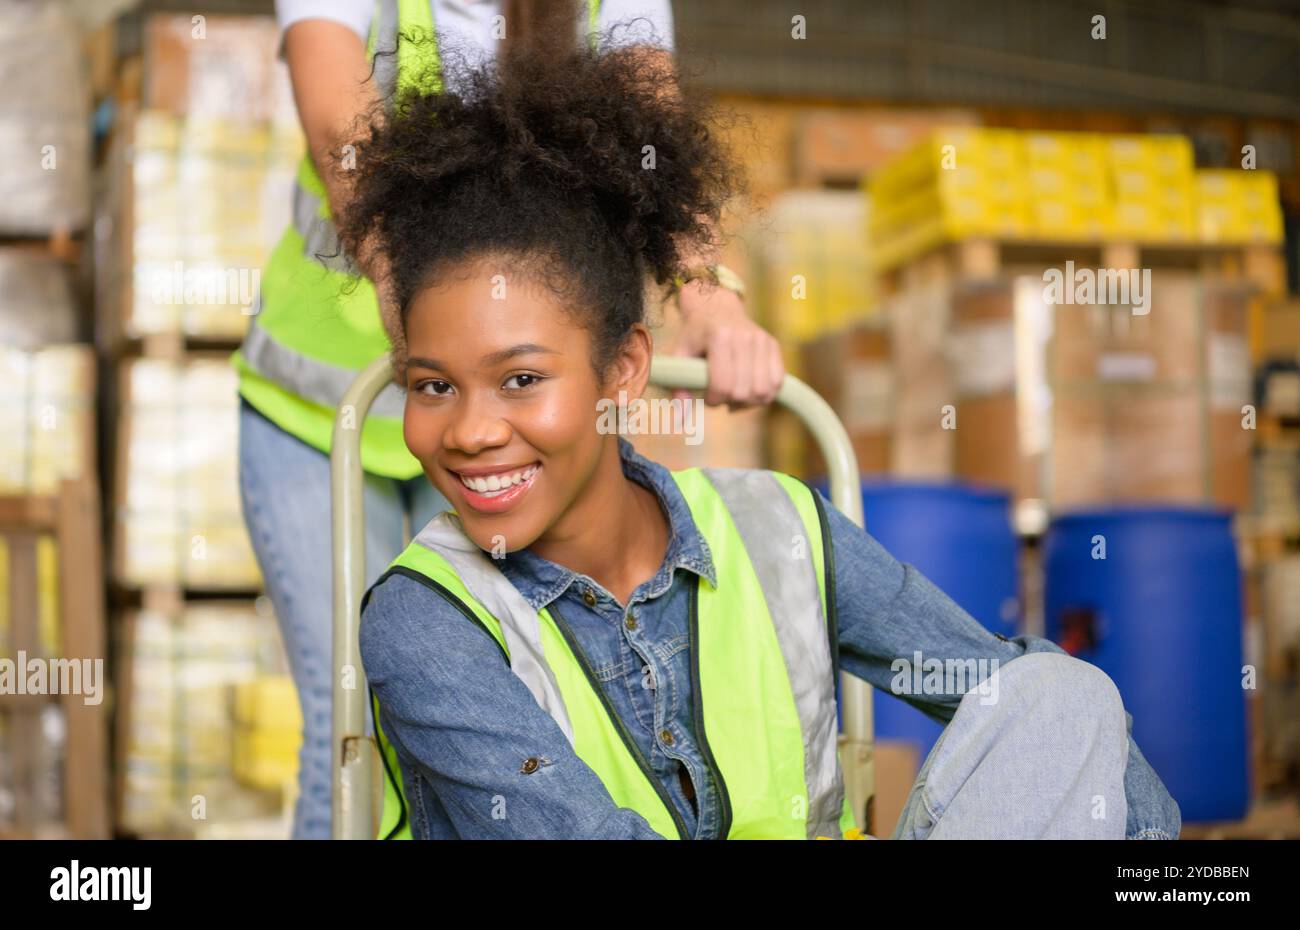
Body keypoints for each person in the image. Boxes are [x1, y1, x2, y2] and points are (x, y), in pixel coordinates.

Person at [345, 29, 1183, 839]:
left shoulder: (778, 529)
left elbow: (1012, 694)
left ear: (624, 369)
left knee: (1058, 696)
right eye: (431, 386)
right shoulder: (425, 619)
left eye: (521, 379)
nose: (468, 432)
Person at [234, 0, 781, 840]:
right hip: (320, 416)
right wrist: (415, 311)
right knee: (349, 716)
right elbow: (339, 125)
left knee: (529, 704)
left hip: (503, 433)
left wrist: (708, 295)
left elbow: (652, 142)